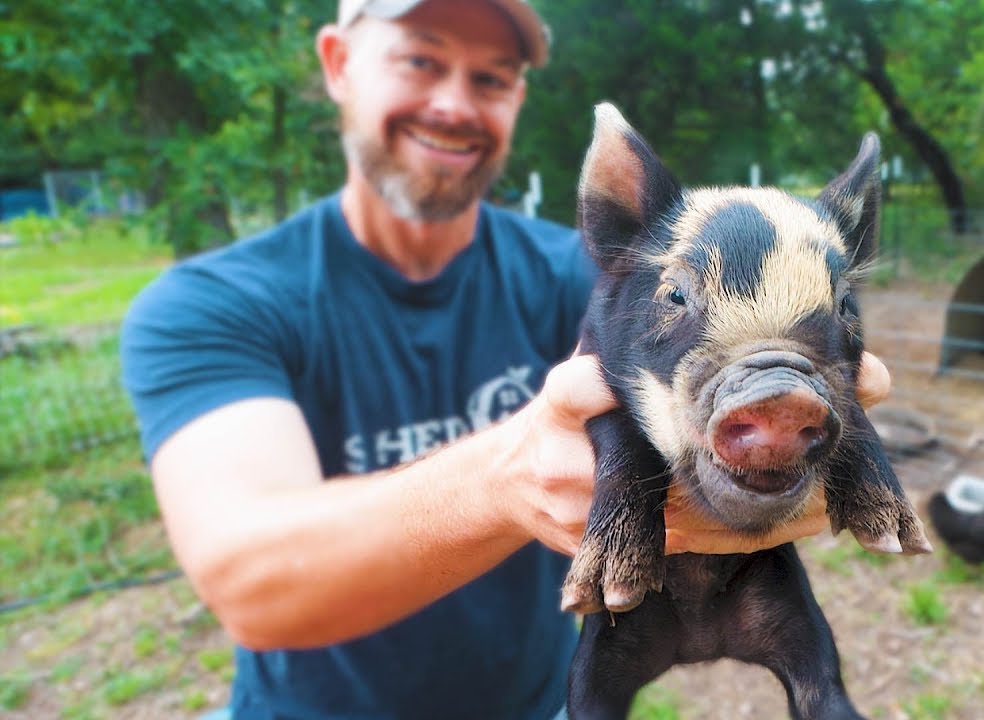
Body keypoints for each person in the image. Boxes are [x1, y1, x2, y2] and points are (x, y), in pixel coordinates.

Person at [119, 1, 895, 718]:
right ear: (338, 63)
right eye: (420, 61)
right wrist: (504, 481)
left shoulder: (586, 277)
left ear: (518, 98)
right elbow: (253, 582)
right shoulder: (210, 306)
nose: (455, 104)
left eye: (491, 77)